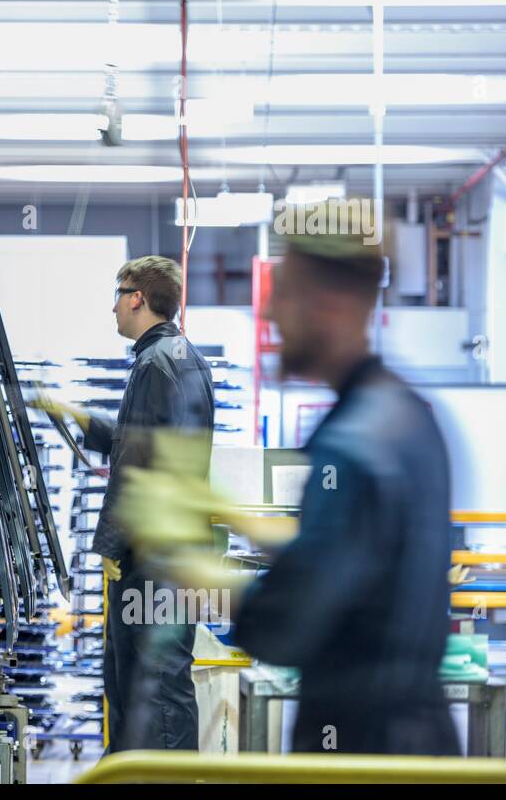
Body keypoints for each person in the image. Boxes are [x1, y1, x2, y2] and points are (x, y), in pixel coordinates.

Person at [119, 228, 459, 756]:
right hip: (412, 741)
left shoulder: (352, 444)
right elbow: (352, 561)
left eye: (283, 297)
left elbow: (288, 622)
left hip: (363, 754)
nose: (271, 318)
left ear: (332, 306)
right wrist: (232, 515)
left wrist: (187, 568)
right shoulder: (403, 413)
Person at [32, 255, 214, 752]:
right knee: (148, 683)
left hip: (153, 555)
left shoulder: (156, 363)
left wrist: (111, 544)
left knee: (150, 687)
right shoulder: (178, 357)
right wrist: (81, 419)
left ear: (137, 297)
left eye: (117, 294)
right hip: (171, 551)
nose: (112, 307)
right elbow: (149, 445)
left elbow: (136, 464)